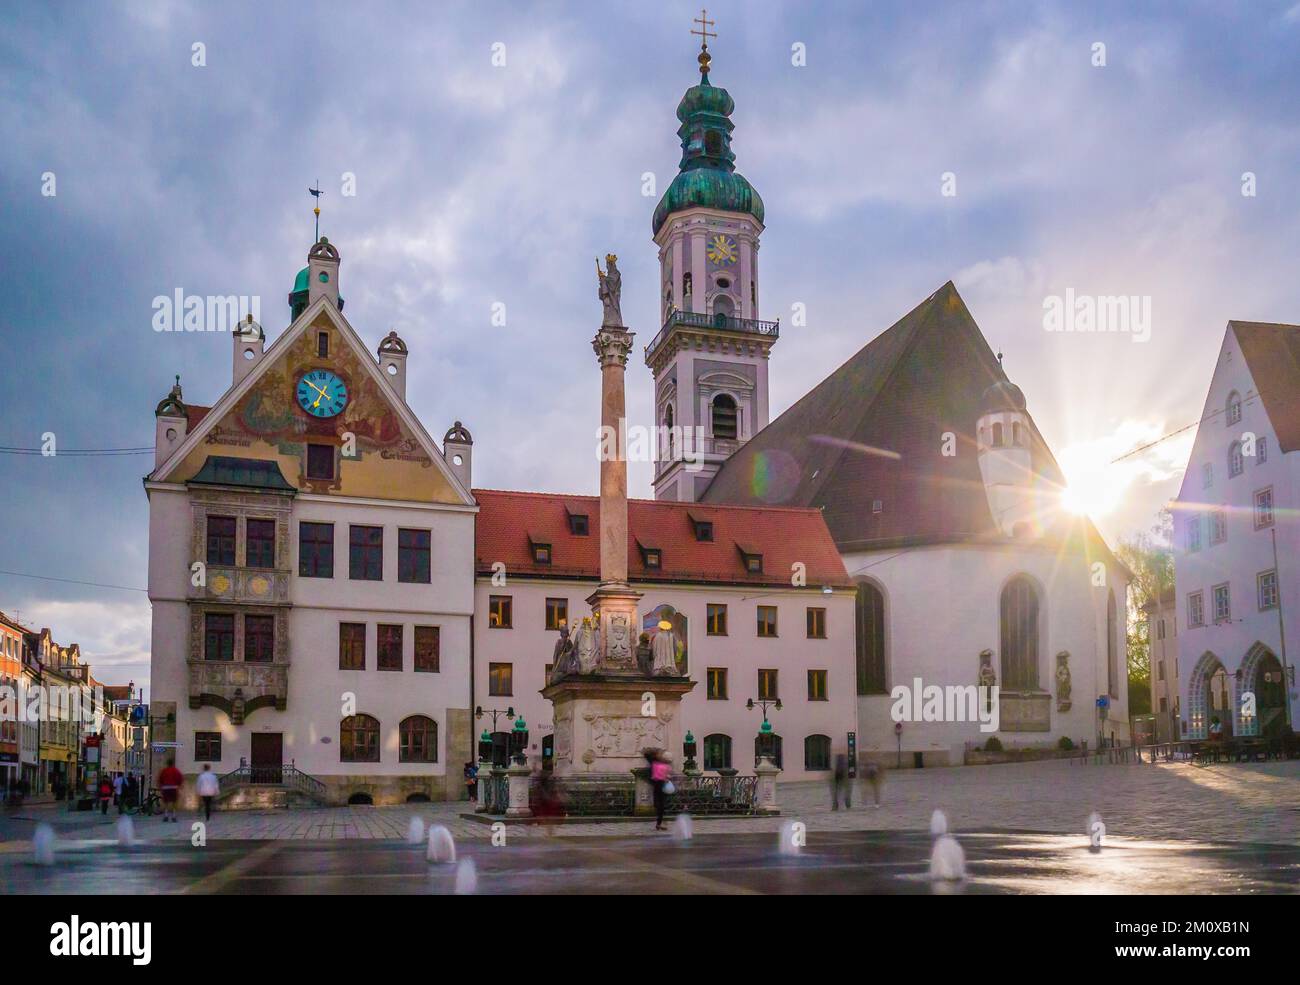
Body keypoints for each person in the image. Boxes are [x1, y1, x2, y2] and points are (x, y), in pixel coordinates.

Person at [646, 749, 671, 831]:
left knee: (661, 805)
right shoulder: (655, 763)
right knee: (661, 805)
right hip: (659, 784)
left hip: (660, 784)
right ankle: (660, 822)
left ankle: (660, 823)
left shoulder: (658, 763)